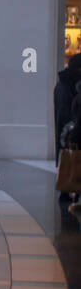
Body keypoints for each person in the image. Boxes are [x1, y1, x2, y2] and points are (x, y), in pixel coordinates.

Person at [53, 54, 81, 200]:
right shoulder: (72, 85)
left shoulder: (62, 83)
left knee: (68, 160)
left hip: (66, 131)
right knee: (72, 160)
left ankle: (68, 189)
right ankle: (69, 189)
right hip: (71, 132)